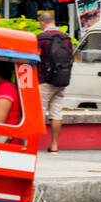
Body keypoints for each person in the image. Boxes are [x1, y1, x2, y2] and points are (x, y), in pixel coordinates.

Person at [36, 10, 73, 153]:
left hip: (44, 80)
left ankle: (34, 144)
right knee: (56, 113)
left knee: (40, 113)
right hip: (61, 81)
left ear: (42, 23)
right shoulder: (66, 38)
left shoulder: (41, 38)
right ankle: (55, 145)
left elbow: (36, 58)